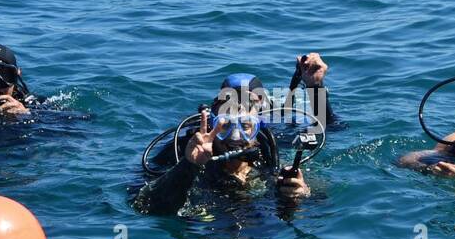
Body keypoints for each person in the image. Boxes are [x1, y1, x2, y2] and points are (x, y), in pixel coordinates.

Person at [132, 56, 332, 216]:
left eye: (246, 126)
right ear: (213, 120)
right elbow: (143, 205)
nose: (235, 137)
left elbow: (326, 127)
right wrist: (188, 165)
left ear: (260, 123)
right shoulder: (185, 145)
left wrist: (300, 194)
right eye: (226, 124)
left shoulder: (268, 143)